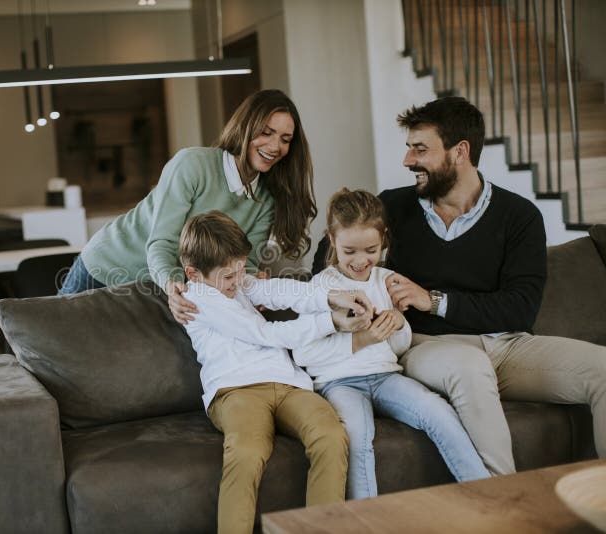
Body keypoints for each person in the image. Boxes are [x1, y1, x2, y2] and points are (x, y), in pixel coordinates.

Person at [379, 96, 606, 475]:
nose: (408, 161)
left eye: (420, 149)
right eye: (409, 148)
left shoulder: (519, 217)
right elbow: (334, 252)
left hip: (508, 346)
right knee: (469, 365)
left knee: (603, 367)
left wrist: (432, 300)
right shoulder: (392, 208)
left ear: (460, 152)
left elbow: (519, 308)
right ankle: (504, 506)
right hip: (427, 346)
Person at [178, 210, 371, 534]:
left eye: (241, 269)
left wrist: (330, 296)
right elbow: (264, 333)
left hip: (289, 385)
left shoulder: (235, 283)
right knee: (247, 452)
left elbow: (281, 291)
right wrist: (331, 321)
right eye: (229, 276)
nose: (238, 280)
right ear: (194, 274)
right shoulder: (198, 297)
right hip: (236, 391)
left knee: (332, 437)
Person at [58, 89, 317, 325]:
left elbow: (245, 262)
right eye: (266, 132)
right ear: (246, 128)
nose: (275, 147)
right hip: (108, 265)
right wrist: (173, 285)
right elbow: (162, 242)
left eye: (285, 139)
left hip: (160, 285)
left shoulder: (266, 199)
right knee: (50, 335)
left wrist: (250, 286)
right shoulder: (192, 165)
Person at [293, 188, 490, 499]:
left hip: (386, 377)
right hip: (340, 384)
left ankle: (489, 496)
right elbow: (305, 353)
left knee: (438, 411)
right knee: (357, 437)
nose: (361, 261)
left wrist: (399, 323)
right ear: (332, 240)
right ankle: (369, 520)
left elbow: (396, 348)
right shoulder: (321, 289)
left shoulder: (387, 280)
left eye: (371, 249)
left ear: (383, 239)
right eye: (350, 251)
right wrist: (361, 339)